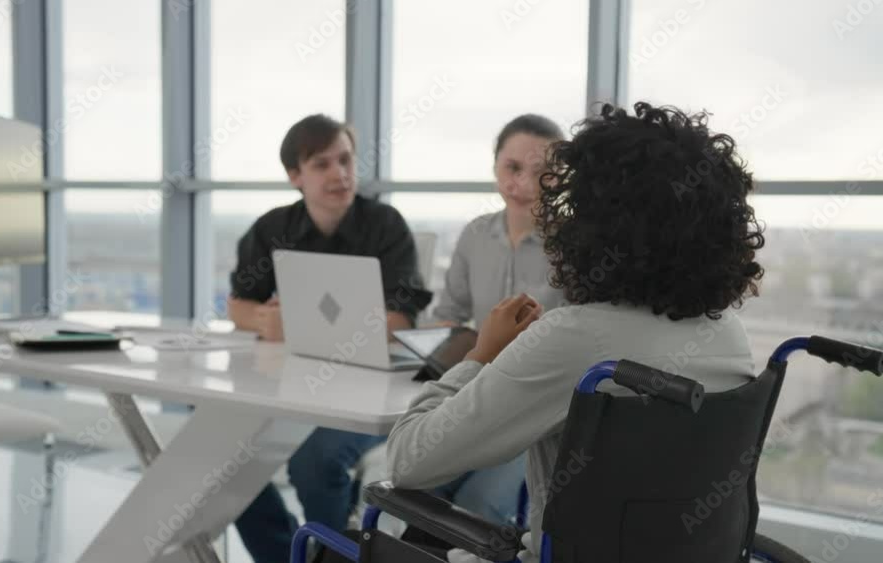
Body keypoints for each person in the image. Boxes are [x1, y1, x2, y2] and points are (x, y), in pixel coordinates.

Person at [385, 102, 766, 563]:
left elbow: (408, 460)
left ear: (595, 226)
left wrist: (480, 356)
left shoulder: (573, 338)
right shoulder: (730, 338)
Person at [229, 114, 432, 563]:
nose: (340, 173)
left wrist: (300, 325)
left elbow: (402, 320)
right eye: (322, 164)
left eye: (345, 160)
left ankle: (332, 557)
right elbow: (238, 305)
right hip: (293, 386)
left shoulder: (385, 225)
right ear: (295, 176)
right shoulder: (271, 228)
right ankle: (289, 556)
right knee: (229, 461)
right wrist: (264, 320)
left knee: (315, 462)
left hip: (370, 390)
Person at [426, 114, 567, 526]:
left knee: (480, 506)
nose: (523, 184)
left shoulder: (576, 248)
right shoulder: (474, 235)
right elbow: (448, 316)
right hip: (473, 394)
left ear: (560, 178)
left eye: (542, 172)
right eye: (513, 168)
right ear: (495, 170)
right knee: (419, 487)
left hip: (538, 409)